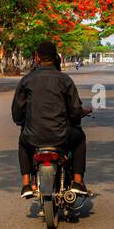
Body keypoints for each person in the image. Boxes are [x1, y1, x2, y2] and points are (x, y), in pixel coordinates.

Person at [12, 40, 91, 199]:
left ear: (37, 57)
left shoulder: (26, 80)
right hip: (62, 135)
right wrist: (85, 111)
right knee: (80, 138)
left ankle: (26, 183)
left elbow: (16, 113)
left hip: (33, 136)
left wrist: (23, 123)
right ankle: (77, 181)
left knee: (23, 142)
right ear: (56, 57)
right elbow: (75, 112)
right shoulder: (65, 80)